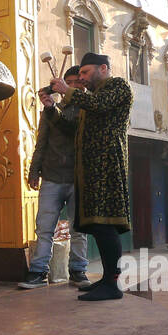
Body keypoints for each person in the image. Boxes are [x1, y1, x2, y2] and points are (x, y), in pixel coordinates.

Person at [48, 52, 133, 302]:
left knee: (106, 225)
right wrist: (51, 108)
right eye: (80, 74)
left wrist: (68, 91)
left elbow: (100, 105)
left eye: (85, 73)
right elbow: (72, 128)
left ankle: (113, 284)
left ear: (103, 69)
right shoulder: (91, 98)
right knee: (97, 226)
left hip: (107, 167)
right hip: (91, 171)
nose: (81, 78)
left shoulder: (119, 86)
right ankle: (106, 280)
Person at [20, 68, 89, 288]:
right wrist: (34, 170)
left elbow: (72, 128)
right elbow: (41, 142)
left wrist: (51, 109)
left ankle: (78, 270)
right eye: (67, 83)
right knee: (44, 228)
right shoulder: (52, 110)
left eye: (77, 82)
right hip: (52, 176)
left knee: (79, 229)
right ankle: (38, 271)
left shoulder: (88, 110)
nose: (72, 86)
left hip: (78, 177)